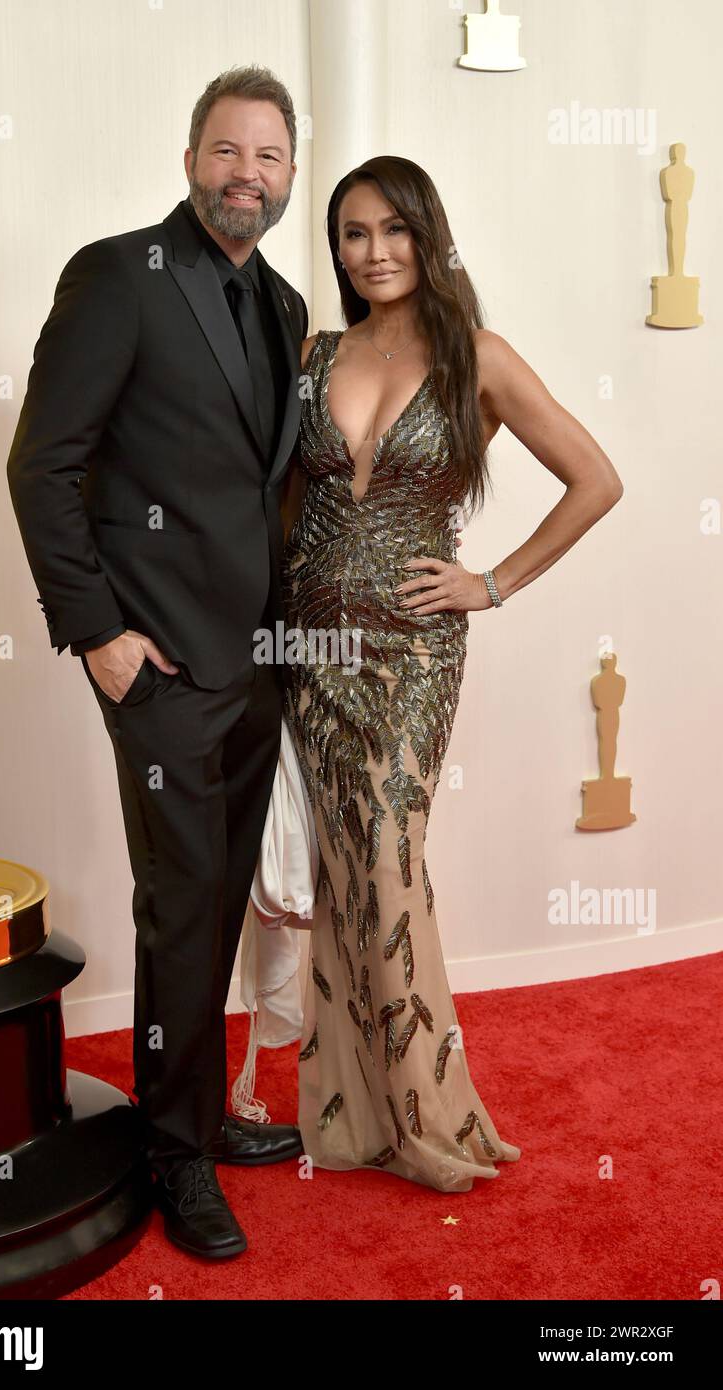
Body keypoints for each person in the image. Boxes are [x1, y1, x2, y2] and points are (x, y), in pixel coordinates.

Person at [6, 65, 308, 1261]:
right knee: (178, 916)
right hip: (161, 671)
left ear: (289, 173)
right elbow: (43, 465)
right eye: (228, 151)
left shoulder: (283, 307)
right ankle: (174, 1158)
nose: (248, 174)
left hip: (259, 672)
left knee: (215, 912)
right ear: (193, 159)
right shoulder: (116, 275)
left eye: (270, 157)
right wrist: (100, 638)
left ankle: (186, 1116)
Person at [281, 156, 623, 1192]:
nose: (374, 251)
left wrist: (494, 581)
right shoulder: (311, 354)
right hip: (309, 646)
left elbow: (597, 478)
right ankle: (355, 1115)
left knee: (388, 845)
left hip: (414, 650)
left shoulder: (478, 356)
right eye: (352, 233)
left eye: (394, 229)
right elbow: (275, 500)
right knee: (346, 871)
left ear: (428, 237)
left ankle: (431, 1117)